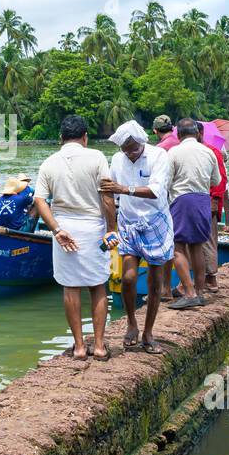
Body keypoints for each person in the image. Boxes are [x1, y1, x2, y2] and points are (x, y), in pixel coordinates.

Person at [33, 115, 118, 361]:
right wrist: (112, 228)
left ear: (61, 138)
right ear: (85, 137)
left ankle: (79, 347)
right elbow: (107, 196)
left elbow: (40, 200)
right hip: (93, 228)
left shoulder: (49, 162)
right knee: (98, 286)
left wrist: (56, 229)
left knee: (71, 287)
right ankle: (100, 345)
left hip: (65, 230)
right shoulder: (97, 157)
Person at [102, 120, 172, 355]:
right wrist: (110, 226)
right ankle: (132, 322)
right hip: (129, 222)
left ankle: (148, 332)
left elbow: (156, 191)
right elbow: (108, 191)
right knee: (129, 277)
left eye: (133, 148)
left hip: (156, 221)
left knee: (155, 281)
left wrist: (125, 189)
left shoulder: (159, 155)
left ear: (142, 142)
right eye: (126, 149)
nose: (130, 153)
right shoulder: (117, 160)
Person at [165, 118, 222, 309]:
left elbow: (166, 182)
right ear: (197, 133)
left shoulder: (174, 152)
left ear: (179, 135)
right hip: (203, 200)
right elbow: (216, 180)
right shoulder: (209, 152)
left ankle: (188, 293)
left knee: (178, 247)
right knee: (197, 247)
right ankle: (198, 292)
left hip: (182, 199)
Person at [152, 115, 180, 294]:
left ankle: (164, 288)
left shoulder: (160, 150)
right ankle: (171, 286)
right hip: (183, 199)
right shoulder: (180, 143)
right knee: (179, 244)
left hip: (166, 201)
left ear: (155, 131)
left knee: (166, 244)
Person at [204, 138, 228, 294]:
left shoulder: (212, 152)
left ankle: (211, 278)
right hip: (194, 200)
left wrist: (214, 199)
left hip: (208, 199)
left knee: (209, 240)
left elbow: (221, 181)